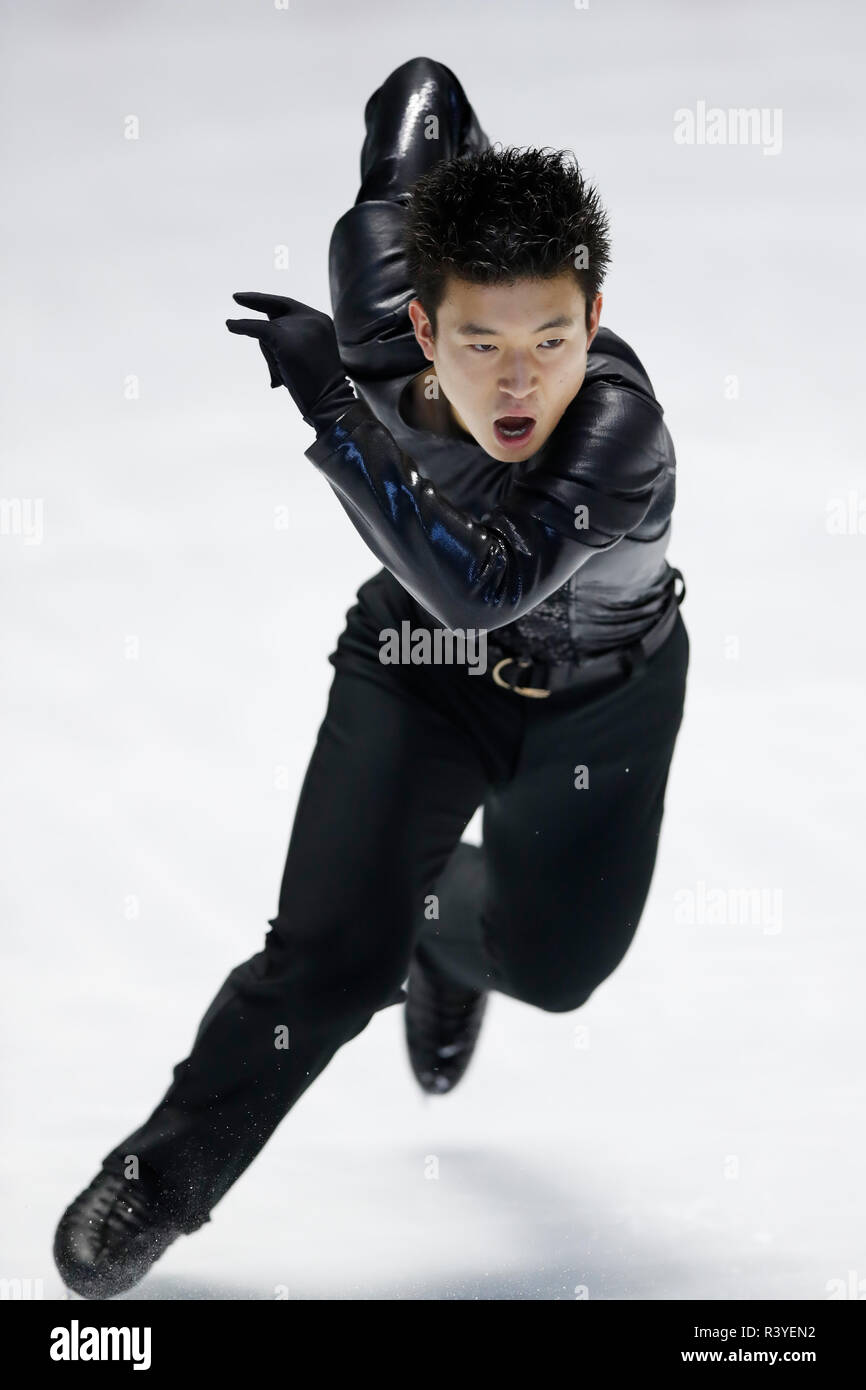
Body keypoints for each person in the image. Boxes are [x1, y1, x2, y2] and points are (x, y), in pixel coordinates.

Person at [54, 56, 689, 1300]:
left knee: (556, 968)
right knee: (331, 964)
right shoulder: (376, 286)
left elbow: (486, 583)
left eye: (553, 338)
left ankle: (443, 943)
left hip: (602, 699)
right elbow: (421, 90)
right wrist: (441, 178)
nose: (519, 385)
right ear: (417, 321)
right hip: (416, 667)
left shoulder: (620, 432)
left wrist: (333, 413)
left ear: (596, 316)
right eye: (482, 342)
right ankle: (162, 1177)